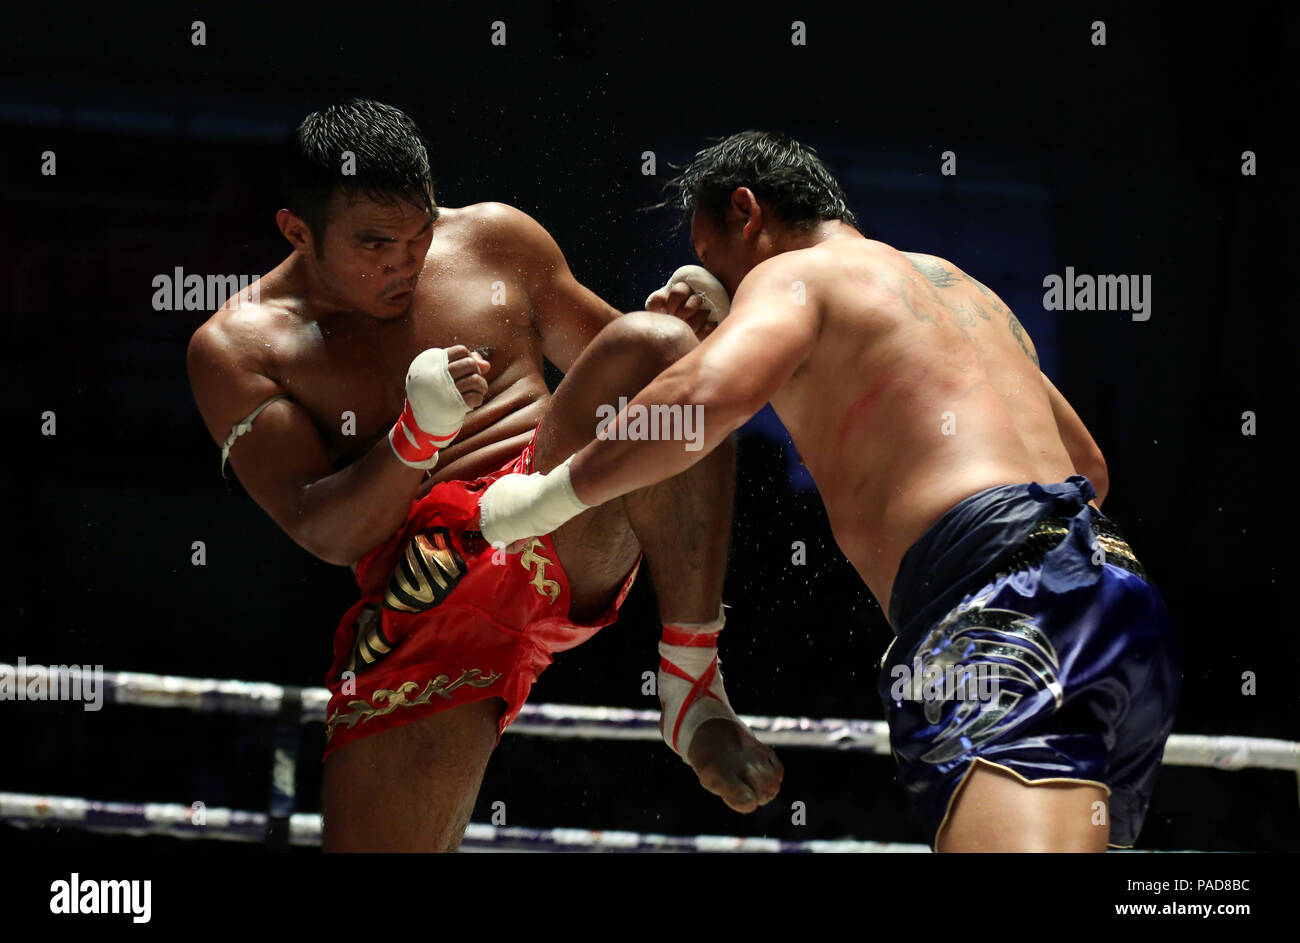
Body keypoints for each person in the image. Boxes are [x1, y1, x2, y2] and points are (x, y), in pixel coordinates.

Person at [478, 130, 1180, 852]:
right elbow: (1087, 468)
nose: (717, 275)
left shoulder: (794, 276)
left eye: (710, 251)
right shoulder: (963, 289)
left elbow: (703, 398)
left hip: (1003, 601)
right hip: (1119, 601)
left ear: (746, 212)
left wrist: (550, 495)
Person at [186, 102, 781, 852]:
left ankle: (692, 683)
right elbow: (323, 528)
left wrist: (690, 339)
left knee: (655, 343)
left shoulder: (496, 240)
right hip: (423, 589)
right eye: (376, 244)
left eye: (419, 233)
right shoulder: (239, 347)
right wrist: (414, 437)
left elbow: (651, 391)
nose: (404, 263)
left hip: (557, 512)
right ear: (296, 232)